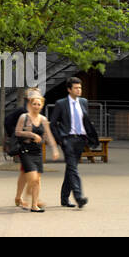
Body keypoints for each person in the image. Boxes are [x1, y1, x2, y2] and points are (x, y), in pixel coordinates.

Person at [49, 76, 98, 208]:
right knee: (72, 168)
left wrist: (89, 136)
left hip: (81, 139)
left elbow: (86, 120)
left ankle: (64, 199)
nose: (79, 90)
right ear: (69, 89)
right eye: (76, 88)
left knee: (71, 168)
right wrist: (60, 140)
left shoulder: (83, 102)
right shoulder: (61, 103)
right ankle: (79, 197)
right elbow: (53, 124)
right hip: (68, 139)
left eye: (80, 87)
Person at [14, 92, 62, 212]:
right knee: (33, 178)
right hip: (26, 150)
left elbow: (49, 135)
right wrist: (31, 134)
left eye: (38, 104)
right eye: (34, 104)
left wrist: (55, 149)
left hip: (38, 152)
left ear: (42, 106)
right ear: (30, 105)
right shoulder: (24, 117)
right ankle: (26, 199)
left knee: (37, 180)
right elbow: (17, 132)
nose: (36, 106)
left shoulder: (43, 119)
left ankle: (34, 205)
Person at [6, 87, 41, 209]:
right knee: (31, 173)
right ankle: (31, 199)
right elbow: (7, 121)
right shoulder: (21, 111)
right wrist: (15, 136)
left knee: (24, 172)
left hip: (34, 148)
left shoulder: (38, 110)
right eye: (34, 95)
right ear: (28, 98)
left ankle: (20, 197)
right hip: (24, 147)